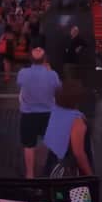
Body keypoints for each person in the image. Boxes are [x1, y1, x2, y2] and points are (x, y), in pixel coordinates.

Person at [15, 47, 61, 176]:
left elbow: (20, 83)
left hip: (28, 115)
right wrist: (49, 70)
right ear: (45, 59)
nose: (38, 48)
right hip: (48, 114)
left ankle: (30, 175)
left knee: (29, 145)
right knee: (49, 143)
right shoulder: (52, 75)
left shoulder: (23, 73)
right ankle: (46, 171)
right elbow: (58, 89)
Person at [40, 70, 94, 177]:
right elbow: (78, 153)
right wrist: (91, 176)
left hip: (52, 167)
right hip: (70, 173)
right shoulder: (76, 120)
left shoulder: (55, 112)